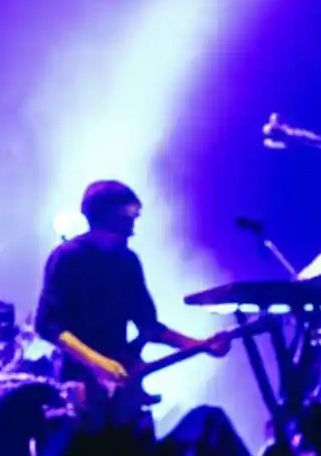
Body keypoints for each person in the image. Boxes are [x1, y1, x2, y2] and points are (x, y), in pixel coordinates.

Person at [34, 180, 230, 431]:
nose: (135, 217)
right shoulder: (68, 257)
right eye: (128, 211)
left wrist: (200, 345)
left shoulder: (127, 261)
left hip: (122, 381)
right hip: (80, 382)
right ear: (106, 214)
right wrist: (98, 363)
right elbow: (47, 324)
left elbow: (149, 327)